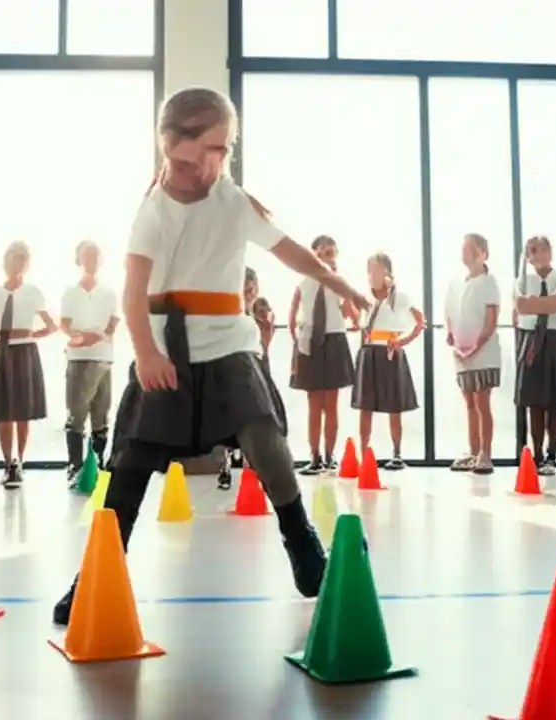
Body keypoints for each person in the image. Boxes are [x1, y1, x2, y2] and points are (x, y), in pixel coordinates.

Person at [51, 87, 370, 626]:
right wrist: (147, 353)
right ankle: (95, 572)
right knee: (129, 464)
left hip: (228, 345)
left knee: (263, 437)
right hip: (166, 348)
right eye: (194, 154)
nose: (207, 166)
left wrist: (340, 283)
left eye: (221, 151)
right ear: (169, 146)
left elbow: (289, 249)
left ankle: (303, 546)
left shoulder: (234, 202)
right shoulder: (151, 212)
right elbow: (133, 292)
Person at [0, 240, 58, 489]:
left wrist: (31, 335)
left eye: (22, 259)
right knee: (4, 411)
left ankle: (20, 461)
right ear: (5, 262)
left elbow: (51, 325)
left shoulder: (33, 292)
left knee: (22, 411)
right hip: (2, 352)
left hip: (24, 352)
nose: (17, 264)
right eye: (13, 258)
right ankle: (7, 463)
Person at [289, 235, 359, 474]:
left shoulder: (338, 282)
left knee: (331, 403)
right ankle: (315, 457)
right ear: (313, 255)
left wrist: (353, 315)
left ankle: (330, 456)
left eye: (330, 252)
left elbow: (352, 312)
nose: (326, 256)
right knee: (313, 403)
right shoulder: (304, 281)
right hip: (310, 342)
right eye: (321, 252)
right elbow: (294, 307)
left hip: (334, 340)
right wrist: (294, 335)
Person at [351, 252, 424, 469]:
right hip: (369, 352)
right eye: (369, 270)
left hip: (391, 351)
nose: (371, 274)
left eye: (376, 269)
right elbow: (355, 320)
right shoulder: (364, 298)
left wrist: (402, 341)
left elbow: (420, 323)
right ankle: (363, 454)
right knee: (365, 406)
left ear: (387, 272)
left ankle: (397, 453)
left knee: (394, 405)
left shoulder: (400, 298)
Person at [58, 239, 117, 486]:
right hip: (79, 359)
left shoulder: (109, 292)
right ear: (78, 259)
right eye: (86, 256)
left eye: (95, 256)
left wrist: (97, 337)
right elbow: (64, 324)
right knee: (77, 414)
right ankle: (75, 465)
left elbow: (113, 323)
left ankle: (98, 463)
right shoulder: (71, 292)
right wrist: (80, 339)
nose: (91, 261)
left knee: (101, 415)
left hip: (104, 358)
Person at [514, 236, 556, 475]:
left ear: (550, 252)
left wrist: (535, 303)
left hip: (555, 339)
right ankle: (536, 454)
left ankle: (552, 454)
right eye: (532, 251)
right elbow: (521, 306)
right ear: (527, 257)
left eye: (542, 249)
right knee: (534, 402)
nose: (537, 254)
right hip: (531, 340)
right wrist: (541, 303)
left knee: (554, 402)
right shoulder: (521, 281)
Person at [446, 233, 500, 475]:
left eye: (471, 248)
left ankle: (485, 454)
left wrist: (474, 348)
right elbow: (449, 312)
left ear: (483, 254)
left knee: (482, 401)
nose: (465, 252)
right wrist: (453, 339)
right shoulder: (457, 283)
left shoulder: (489, 282)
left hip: (482, 354)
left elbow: (491, 322)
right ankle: (473, 450)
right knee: (469, 402)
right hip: (461, 354)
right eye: (463, 247)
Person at [219, 266, 277, 489]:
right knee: (231, 420)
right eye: (246, 286)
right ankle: (226, 465)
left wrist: (266, 337)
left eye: (253, 287)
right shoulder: (229, 313)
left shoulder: (260, 312)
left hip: (257, 366)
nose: (249, 291)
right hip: (234, 370)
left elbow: (263, 346)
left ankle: (249, 467)